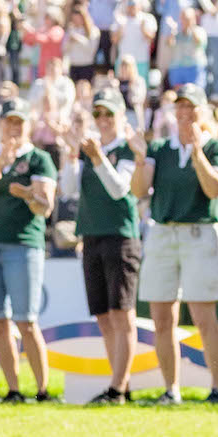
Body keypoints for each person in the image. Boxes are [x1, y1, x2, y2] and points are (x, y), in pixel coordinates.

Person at [129, 84, 218, 404]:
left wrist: (197, 151)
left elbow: (215, 189)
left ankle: (217, 388)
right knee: (162, 316)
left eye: (192, 107)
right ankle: (171, 389)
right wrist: (139, 158)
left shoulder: (217, 147)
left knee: (203, 315)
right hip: (163, 233)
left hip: (199, 233)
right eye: (181, 108)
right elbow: (138, 190)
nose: (185, 114)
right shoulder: (160, 148)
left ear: (203, 112)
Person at [0, 98, 57, 403]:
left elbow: (45, 207)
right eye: (9, 121)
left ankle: (43, 389)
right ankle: (14, 389)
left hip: (23, 243)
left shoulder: (39, 160)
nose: (14, 127)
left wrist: (31, 195)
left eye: (19, 122)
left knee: (26, 321)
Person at [76, 90, 142, 404]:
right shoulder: (88, 149)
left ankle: (118, 386)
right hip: (91, 234)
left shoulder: (126, 149)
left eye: (109, 115)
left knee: (122, 313)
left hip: (120, 234)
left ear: (120, 117)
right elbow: (67, 188)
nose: (103, 121)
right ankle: (119, 382)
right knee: (103, 315)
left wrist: (97, 158)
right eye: (98, 114)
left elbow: (119, 190)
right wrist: (69, 156)